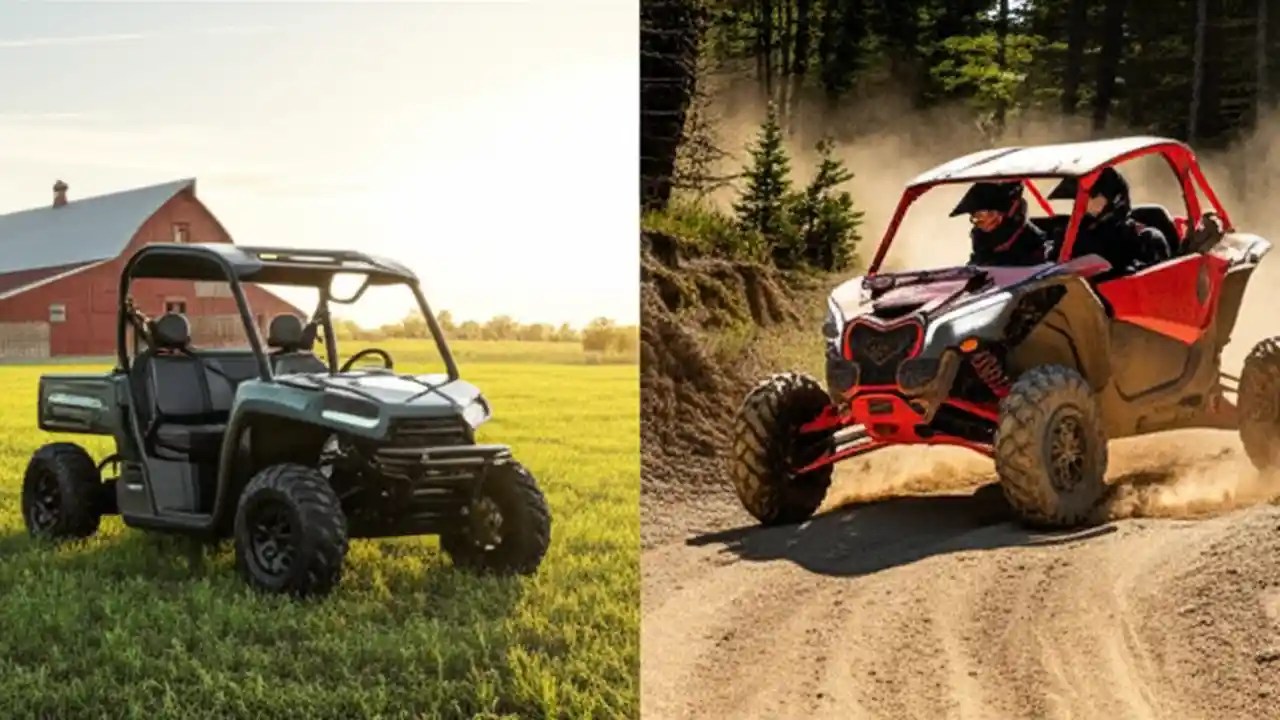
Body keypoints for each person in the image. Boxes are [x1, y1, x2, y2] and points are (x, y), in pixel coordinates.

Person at [1047, 166, 1171, 274]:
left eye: (1091, 196)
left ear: (1113, 198)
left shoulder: (1142, 239)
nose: (1083, 203)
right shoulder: (1076, 232)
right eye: (1079, 198)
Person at [950, 180, 1052, 266]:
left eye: (983, 214)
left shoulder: (1034, 243)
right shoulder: (982, 241)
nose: (978, 222)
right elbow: (976, 266)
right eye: (974, 216)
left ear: (1009, 212)